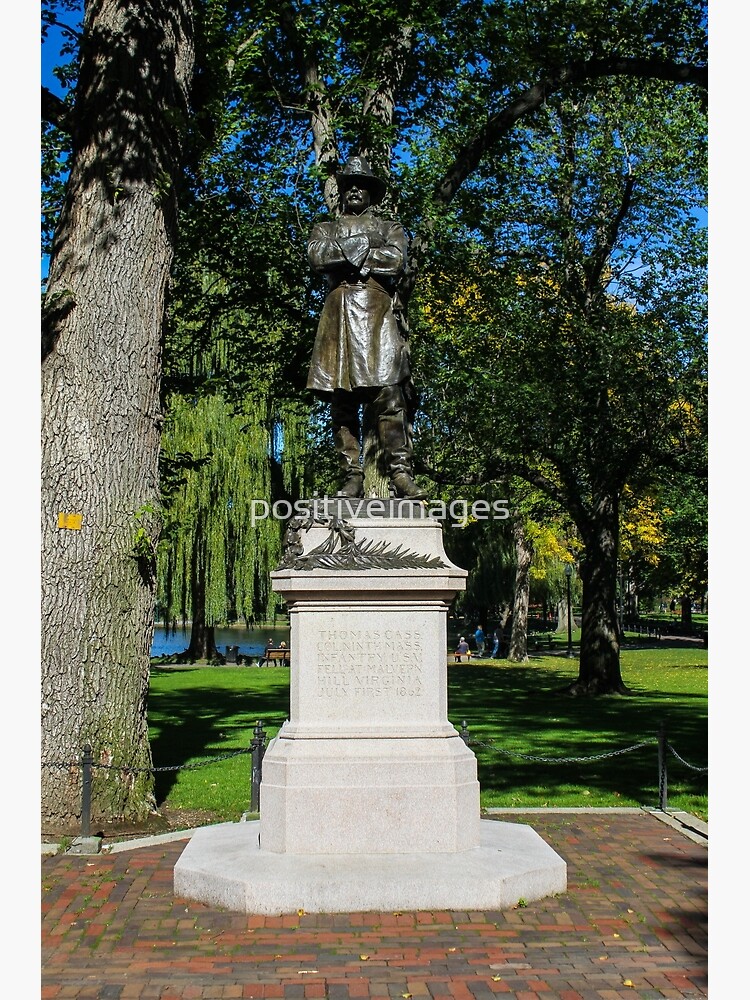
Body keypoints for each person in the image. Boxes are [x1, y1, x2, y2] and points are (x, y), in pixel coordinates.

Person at [306, 155, 427, 500]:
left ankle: (401, 473)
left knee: (389, 395)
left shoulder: (391, 228)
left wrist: (346, 255)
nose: (355, 189)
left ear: (372, 193)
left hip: (377, 314)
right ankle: (351, 476)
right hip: (339, 316)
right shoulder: (324, 228)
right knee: (342, 402)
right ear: (342, 191)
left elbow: (396, 261)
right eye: (349, 184)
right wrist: (364, 250)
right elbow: (318, 257)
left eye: (363, 185)